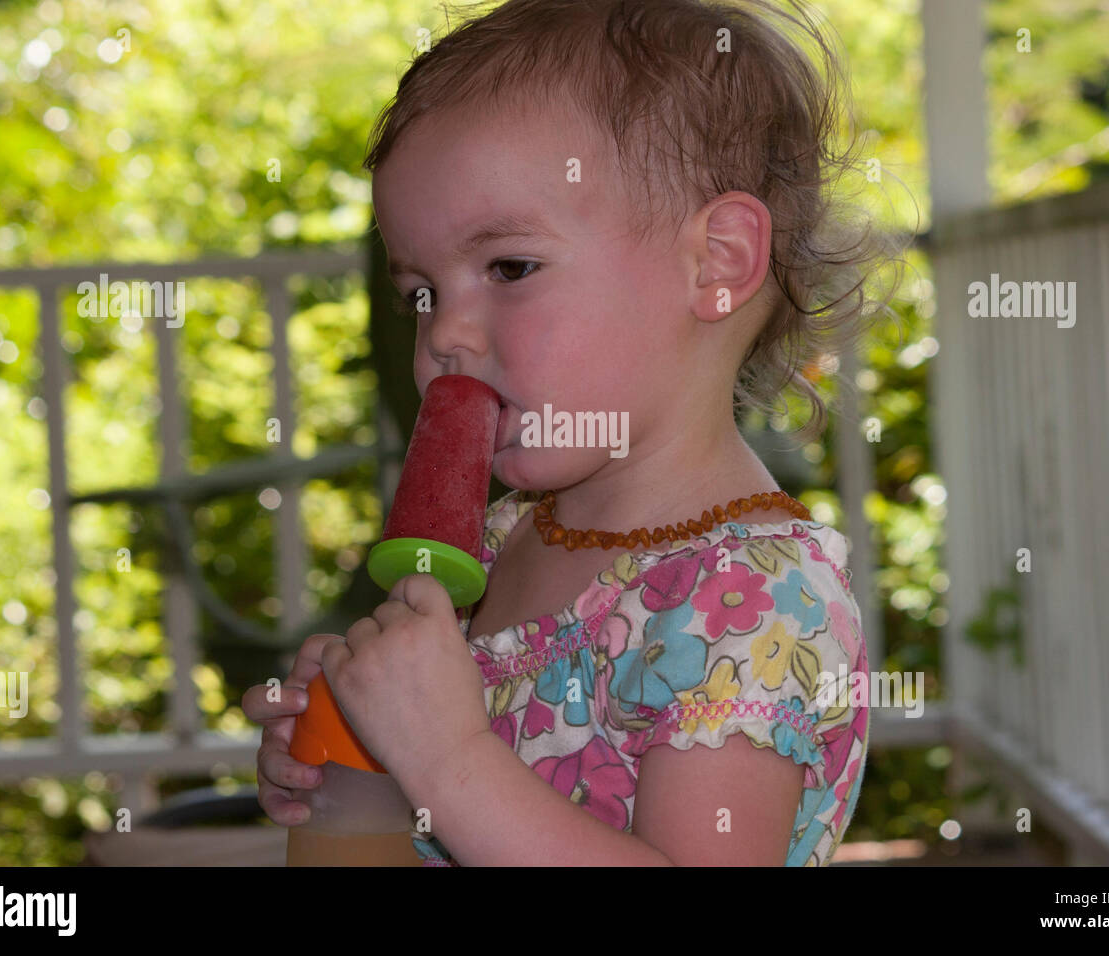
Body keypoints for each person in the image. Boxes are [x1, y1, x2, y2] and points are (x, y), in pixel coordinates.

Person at [243, 0, 906, 866]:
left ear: (718, 263)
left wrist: (445, 759)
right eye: (422, 292)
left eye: (509, 267)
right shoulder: (506, 539)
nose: (444, 332)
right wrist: (358, 754)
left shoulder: (751, 601)